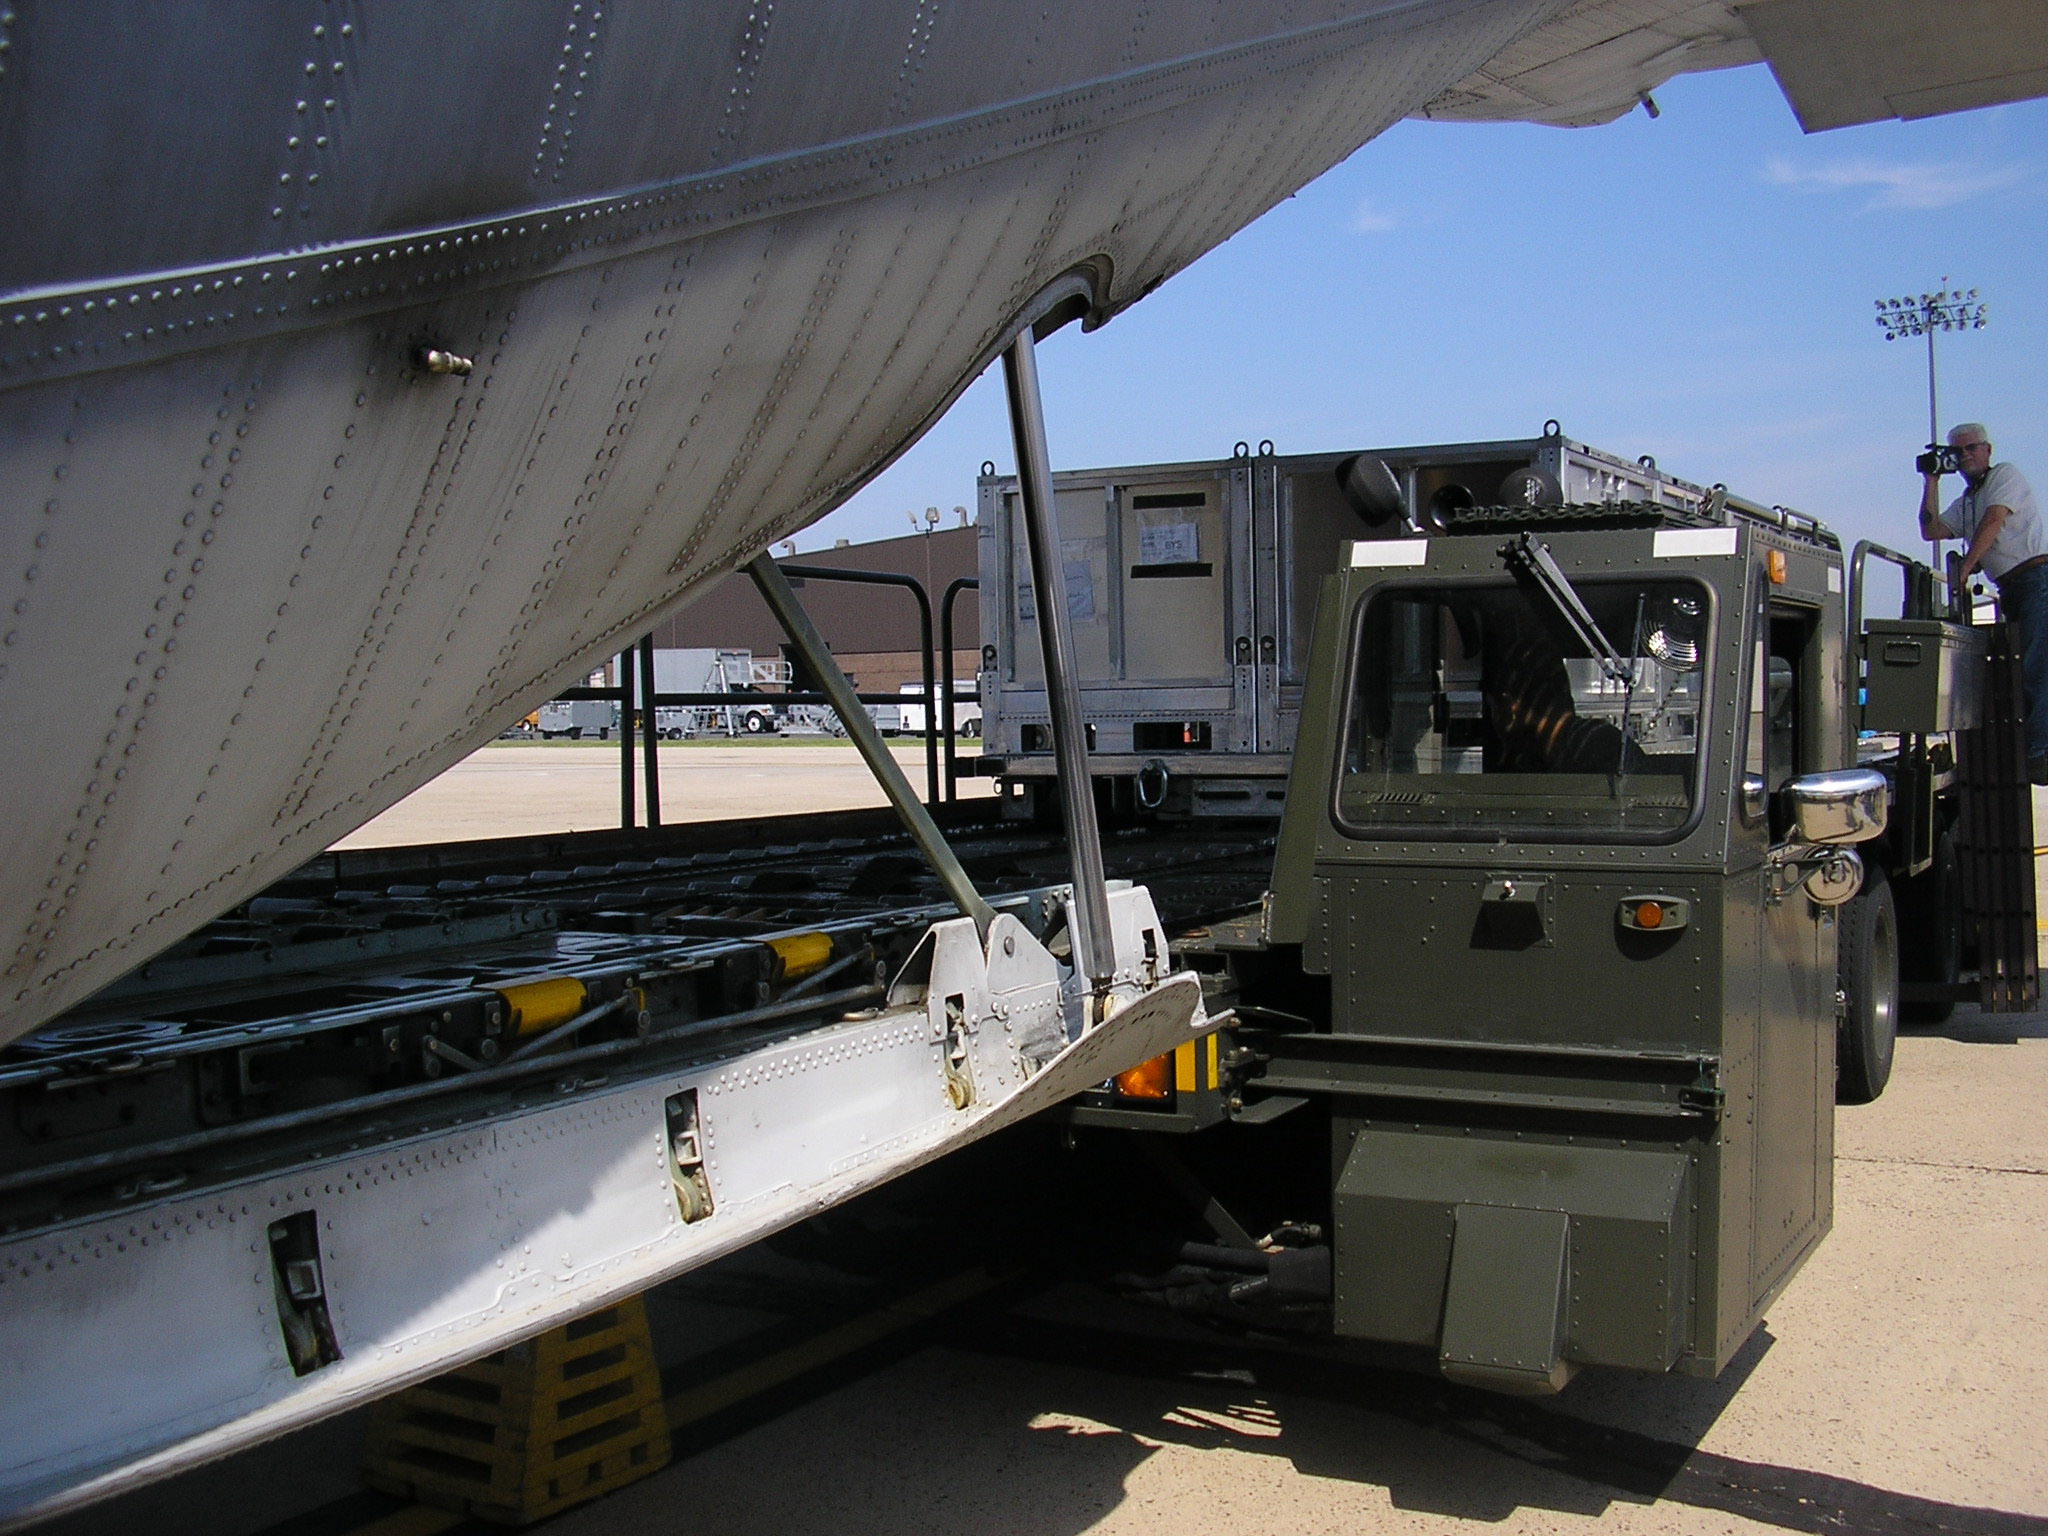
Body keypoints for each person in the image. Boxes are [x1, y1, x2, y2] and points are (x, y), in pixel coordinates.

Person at [1919, 423, 2048, 783]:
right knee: (2018, 666)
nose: (1966, 456)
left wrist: (1967, 567)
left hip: (2035, 578)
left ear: (1988, 450)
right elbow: (1933, 530)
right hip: (2010, 586)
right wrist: (1931, 481)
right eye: (1958, 452)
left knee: (2037, 663)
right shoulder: (1970, 500)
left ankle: (2040, 752)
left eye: (1972, 448)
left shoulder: (2004, 477)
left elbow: (1994, 521)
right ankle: (2034, 748)